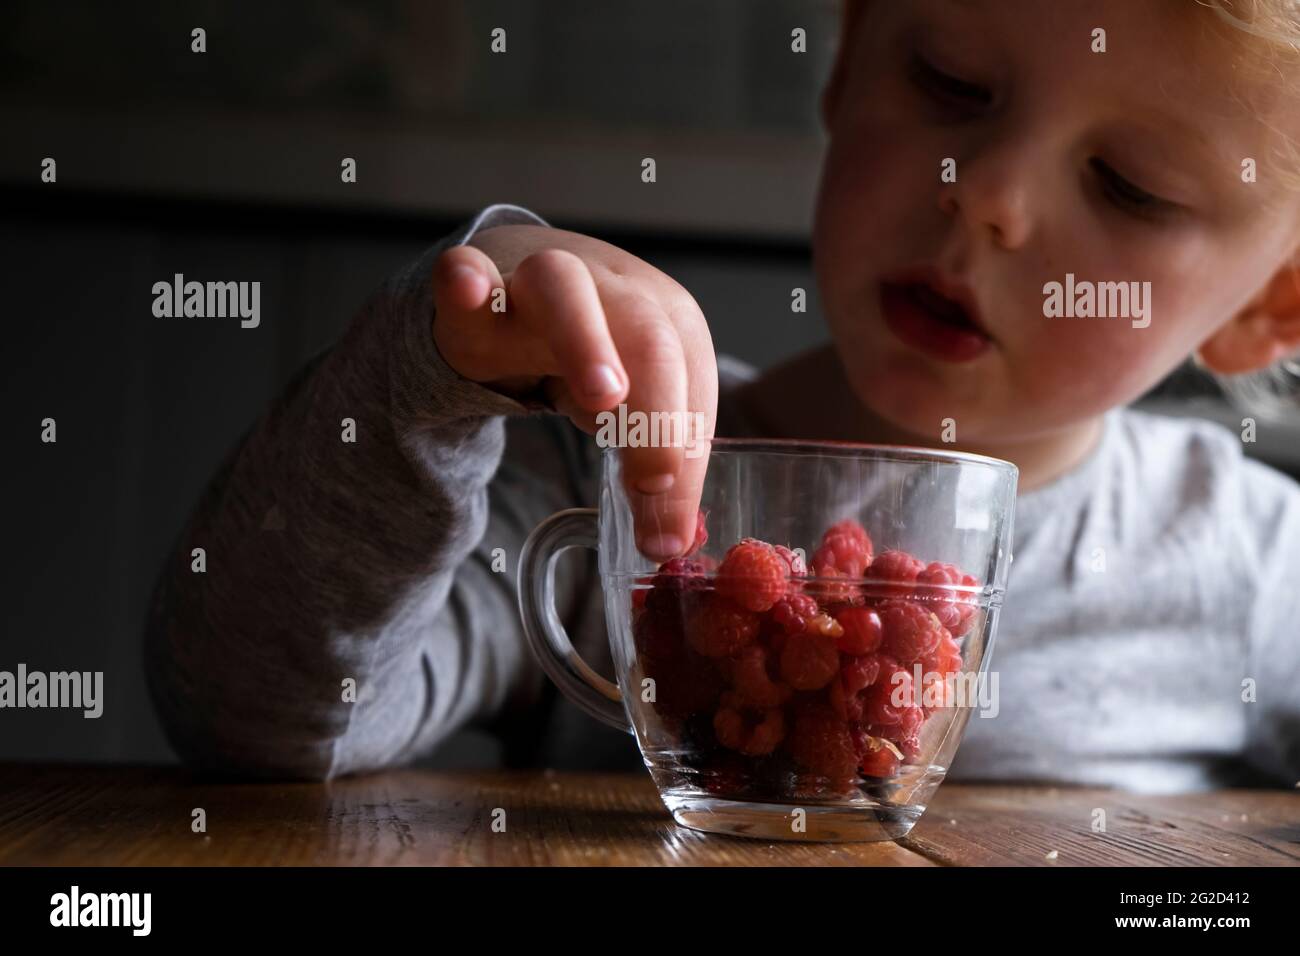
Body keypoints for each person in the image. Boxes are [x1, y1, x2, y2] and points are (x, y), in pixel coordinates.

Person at [144, 0, 1300, 792]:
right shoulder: (598, 461)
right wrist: (430, 379)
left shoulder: (1251, 556)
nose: (986, 193)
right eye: (949, 83)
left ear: (1271, 304)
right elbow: (259, 721)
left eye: (1130, 186)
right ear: (846, 64)